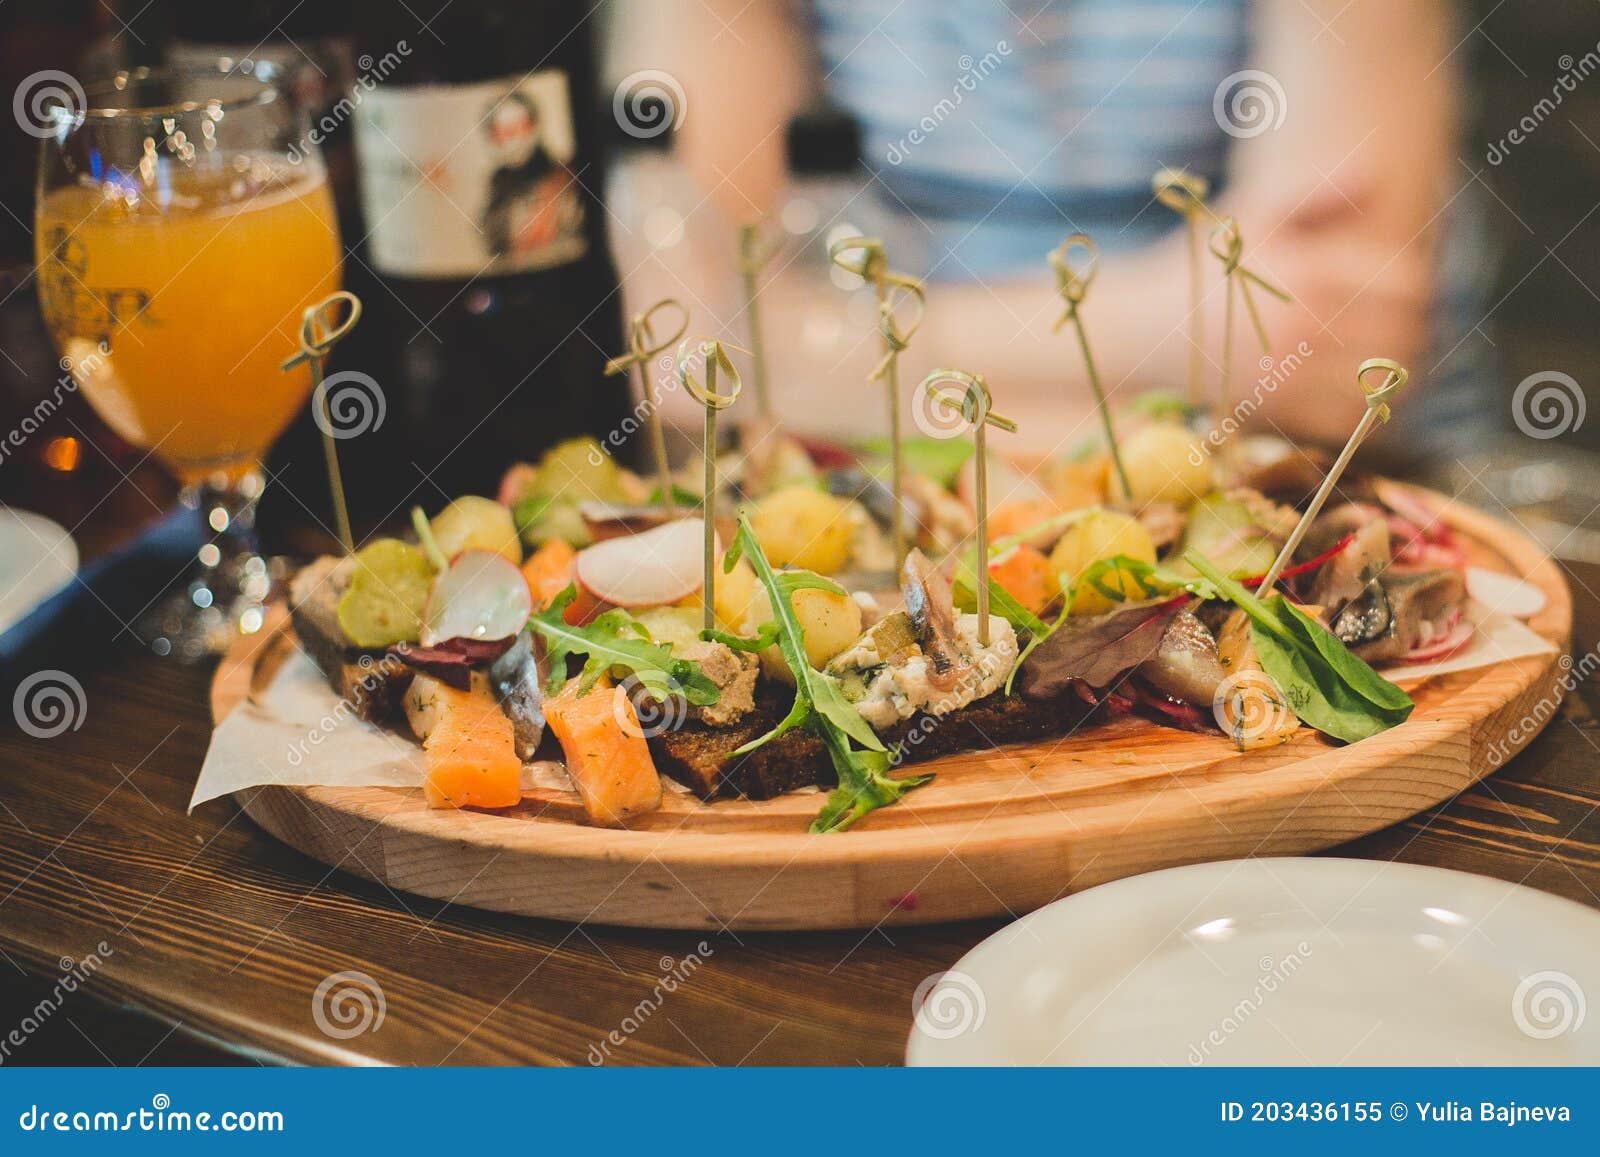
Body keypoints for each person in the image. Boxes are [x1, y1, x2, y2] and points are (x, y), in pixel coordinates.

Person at [626, 0, 1474, 459]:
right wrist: (1178, 337)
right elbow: (685, 353)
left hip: (1361, 497)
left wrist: (819, 353)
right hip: (891, 501)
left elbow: (1332, 347)